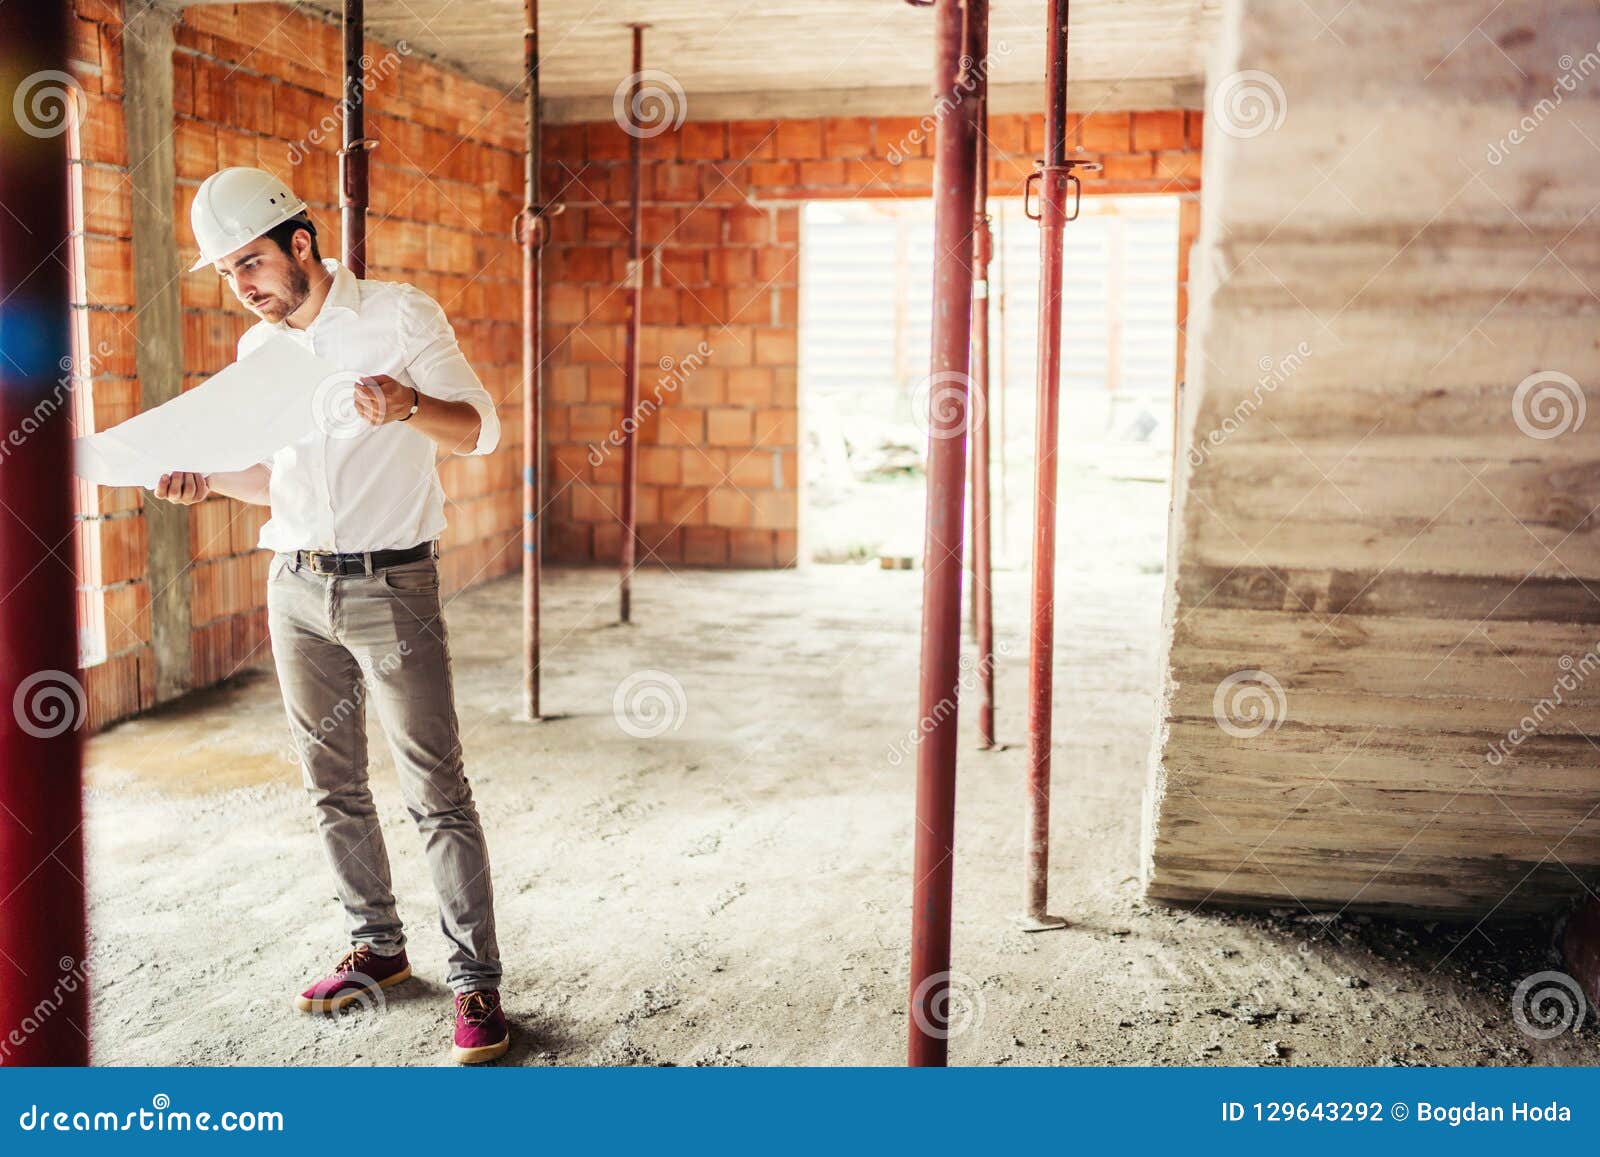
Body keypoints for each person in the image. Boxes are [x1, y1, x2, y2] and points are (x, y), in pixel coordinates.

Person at [153, 166, 508, 1064]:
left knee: (436, 786)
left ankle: (476, 985)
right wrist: (206, 483)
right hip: (296, 586)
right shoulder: (258, 353)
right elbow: (276, 483)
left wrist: (407, 404)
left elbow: (482, 430)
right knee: (331, 785)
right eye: (230, 274)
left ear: (299, 243)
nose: (245, 287)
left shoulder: (400, 316)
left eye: (252, 264)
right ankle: (381, 950)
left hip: (395, 588)